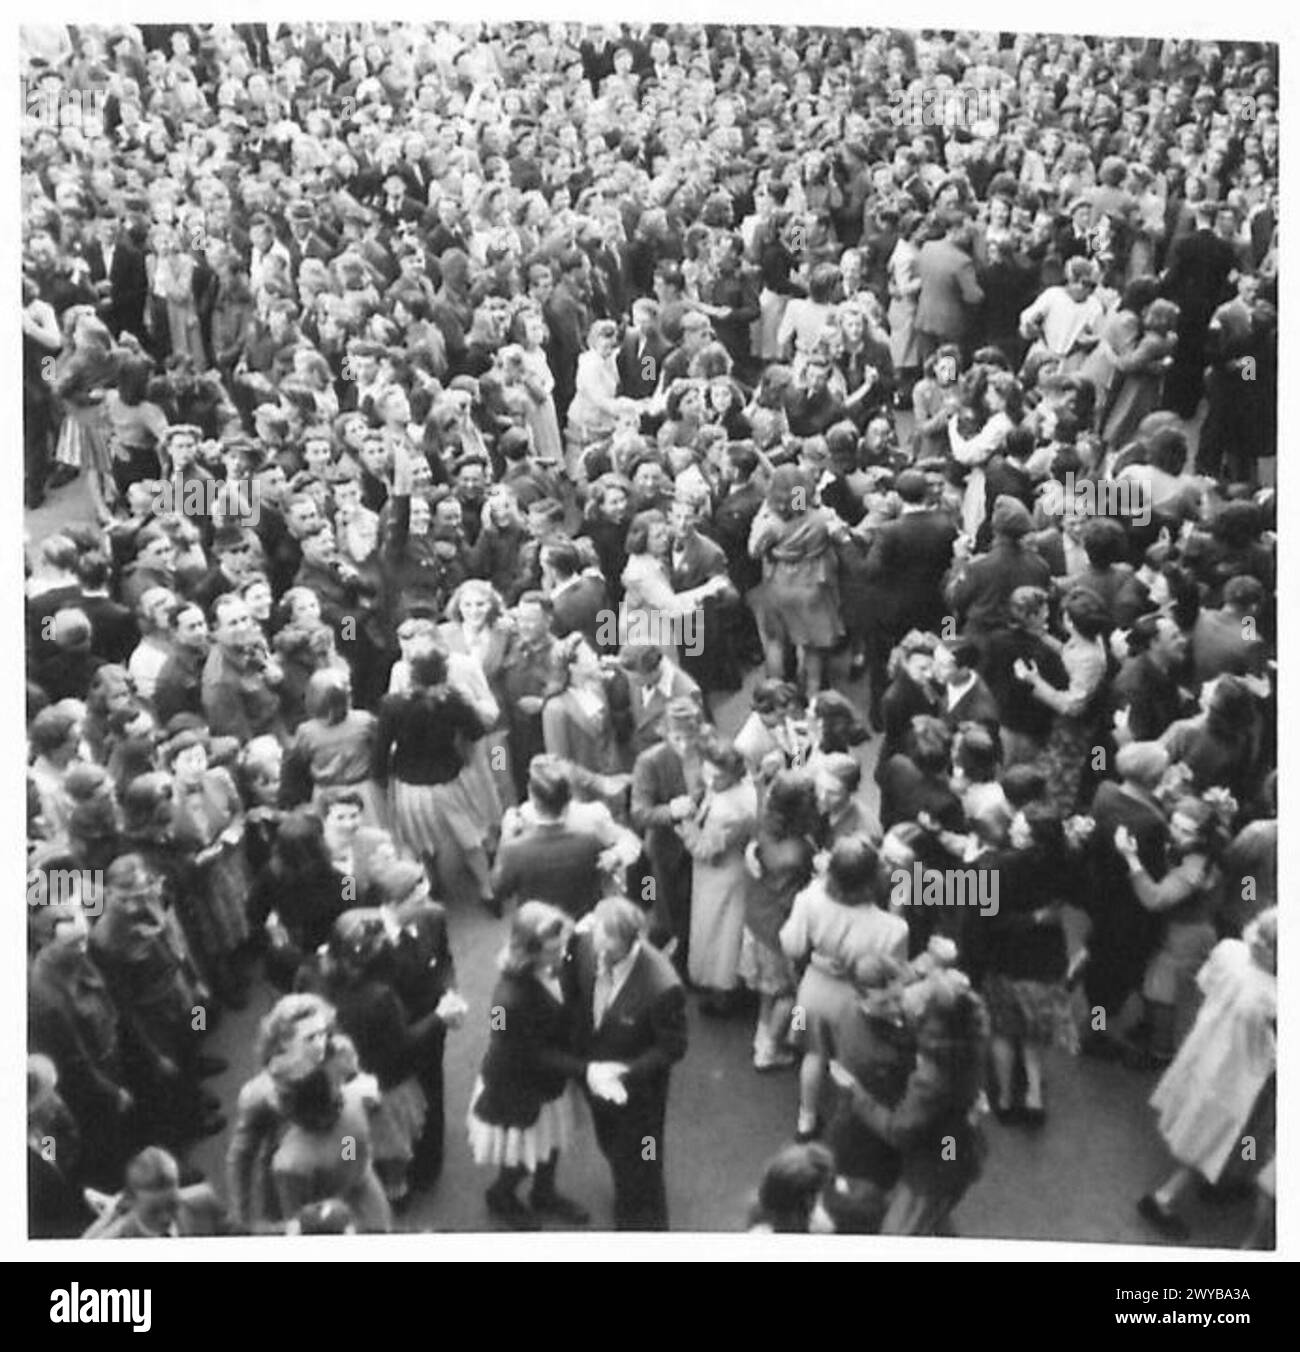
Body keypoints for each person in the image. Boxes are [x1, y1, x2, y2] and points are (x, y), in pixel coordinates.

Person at [1138, 910, 1276, 1242]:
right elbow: (1270, 1053)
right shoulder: (1273, 996)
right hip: (1241, 1079)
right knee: (1222, 1136)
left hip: (1205, 1055)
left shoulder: (1230, 952)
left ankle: (1222, 1179)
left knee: (1202, 1127)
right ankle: (1163, 1198)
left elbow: (1203, 984)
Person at [565, 896, 688, 1230]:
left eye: (609, 949)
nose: (600, 955)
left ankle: (644, 1223)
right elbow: (575, 992)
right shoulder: (590, 946)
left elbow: (673, 1047)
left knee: (645, 1160)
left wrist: (626, 1073)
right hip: (595, 1079)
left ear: (631, 941)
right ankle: (625, 1185)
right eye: (597, 944)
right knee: (612, 1145)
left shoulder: (663, 986)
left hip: (638, 1096)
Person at [468, 901, 592, 1229]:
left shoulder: (547, 967)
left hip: (548, 1081)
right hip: (517, 1086)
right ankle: (501, 1195)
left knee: (550, 1141)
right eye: (555, 948)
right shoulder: (510, 998)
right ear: (530, 949)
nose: (562, 953)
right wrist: (586, 1069)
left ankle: (544, 1192)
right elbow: (528, 1054)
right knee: (522, 1152)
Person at [781, 837, 909, 1142]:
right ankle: (845, 1127)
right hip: (857, 1001)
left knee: (813, 1053)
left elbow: (791, 944)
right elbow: (893, 973)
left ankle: (806, 1119)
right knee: (849, 1064)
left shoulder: (809, 899)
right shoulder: (892, 928)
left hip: (812, 991)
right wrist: (900, 902)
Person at [679, 737, 758, 1014]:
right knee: (728, 933)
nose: (710, 780)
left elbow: (704, 850)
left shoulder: (728, 811)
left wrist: (685, 821)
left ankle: (724, 995)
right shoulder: (740, 788)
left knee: (719, 936)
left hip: (720, 875)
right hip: (733, 870)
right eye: (708, 771)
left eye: (717, 775)